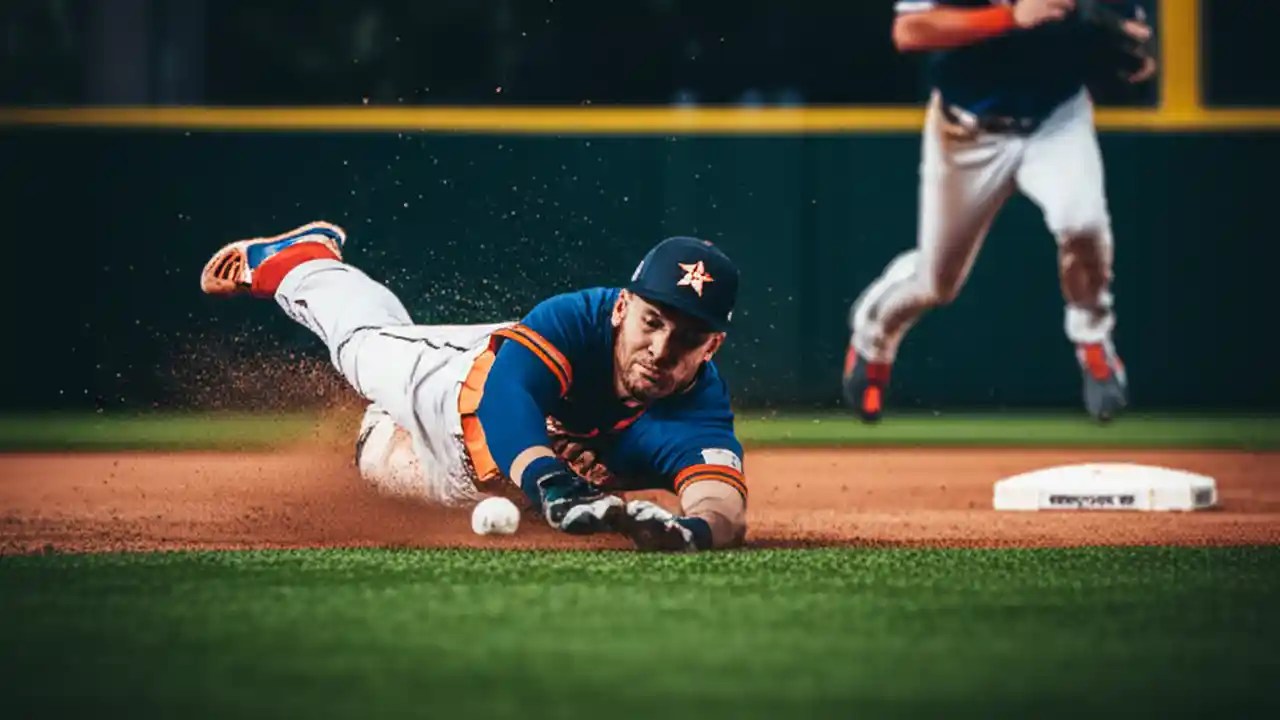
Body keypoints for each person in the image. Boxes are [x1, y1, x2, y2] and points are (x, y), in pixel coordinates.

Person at [200, 221, 747, 551]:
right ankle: (302, 261)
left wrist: (691, 532)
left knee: (372, 456)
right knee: (365, 350)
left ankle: (387, 430)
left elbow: (721, 500)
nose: (660, 348)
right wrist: (551, 480)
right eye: (652, 322)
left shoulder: (697, 409)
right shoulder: (580, 319)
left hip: (479, 482)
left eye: (688, 336)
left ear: (712, 347)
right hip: (460, 385)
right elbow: (508, 395)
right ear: (623, 307)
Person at [843, 0, 1156, 422]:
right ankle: (872, 339)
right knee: (936, 284)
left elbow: (1131, 36)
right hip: (967, 131)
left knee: (1081, 222)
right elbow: (911, 31)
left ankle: (1092, 337)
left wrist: (1128, 46)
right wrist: (1009, 18)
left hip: (1055, 120)